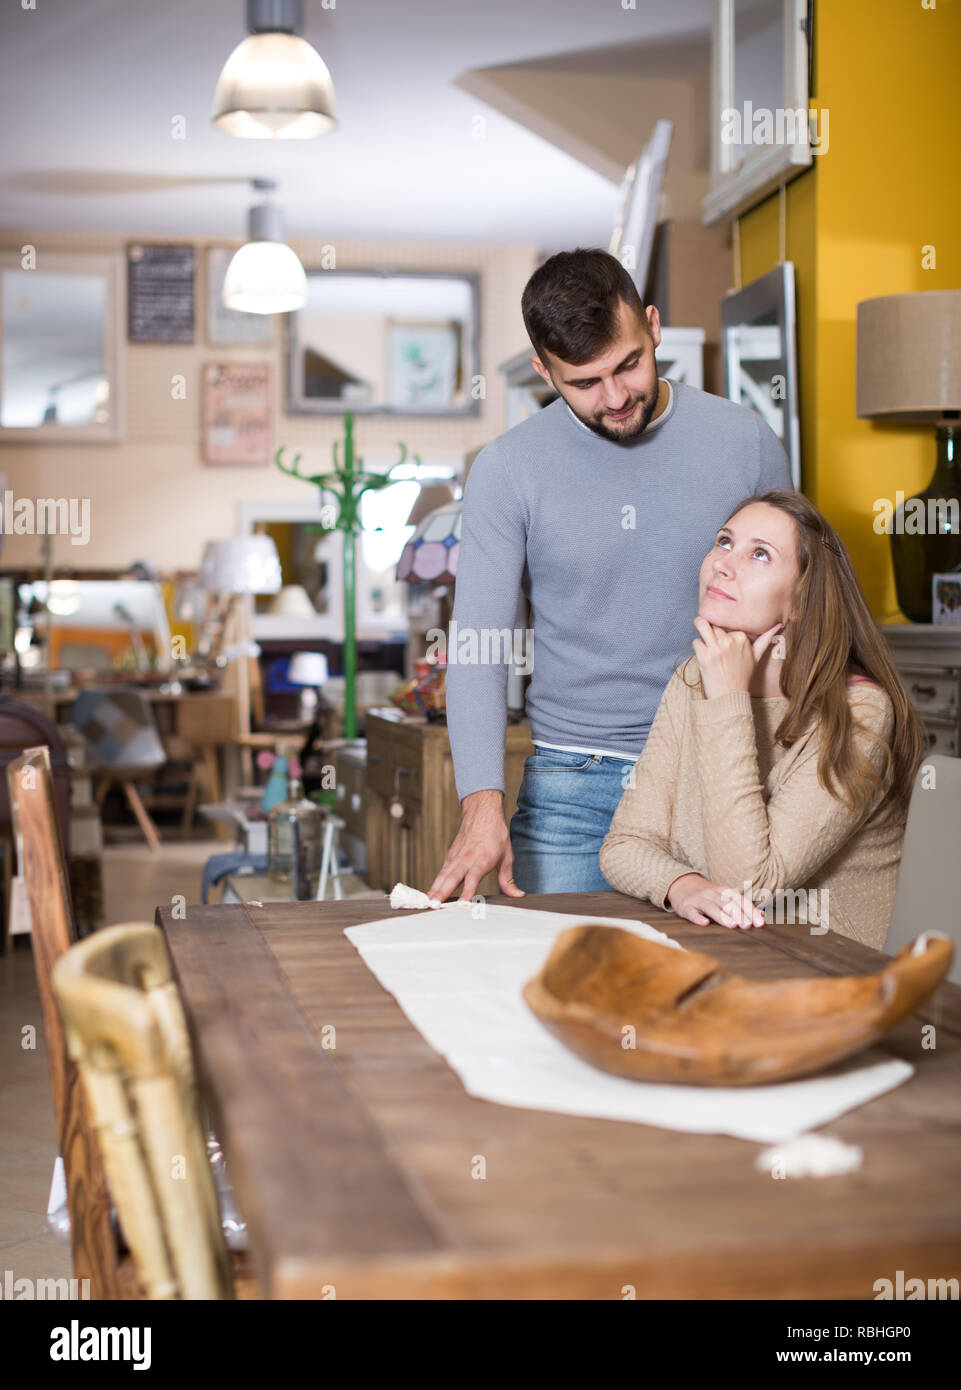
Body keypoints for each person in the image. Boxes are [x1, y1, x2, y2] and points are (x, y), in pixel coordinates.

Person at [428, 247, 794, 904]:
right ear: (544, 371)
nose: (617, 395)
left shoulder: (744, 442)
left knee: (723, 993)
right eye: (585, 382)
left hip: (723, 769)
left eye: (628, 364)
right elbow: (478, 646)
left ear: (651, 325)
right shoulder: (508, 469)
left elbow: (796, 605)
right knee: (556, 992)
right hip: (575, 791)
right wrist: (479, 805)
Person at [599, 491, 925, 949]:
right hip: (725, 949)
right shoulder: (694, 678)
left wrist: (729, 699)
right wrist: (682, 885)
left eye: (759, 554)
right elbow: (624, 845)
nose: (723, 564)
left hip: (830, 970)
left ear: (799, 599)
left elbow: (750, 883)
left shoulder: (861, 712)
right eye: (724, 542)